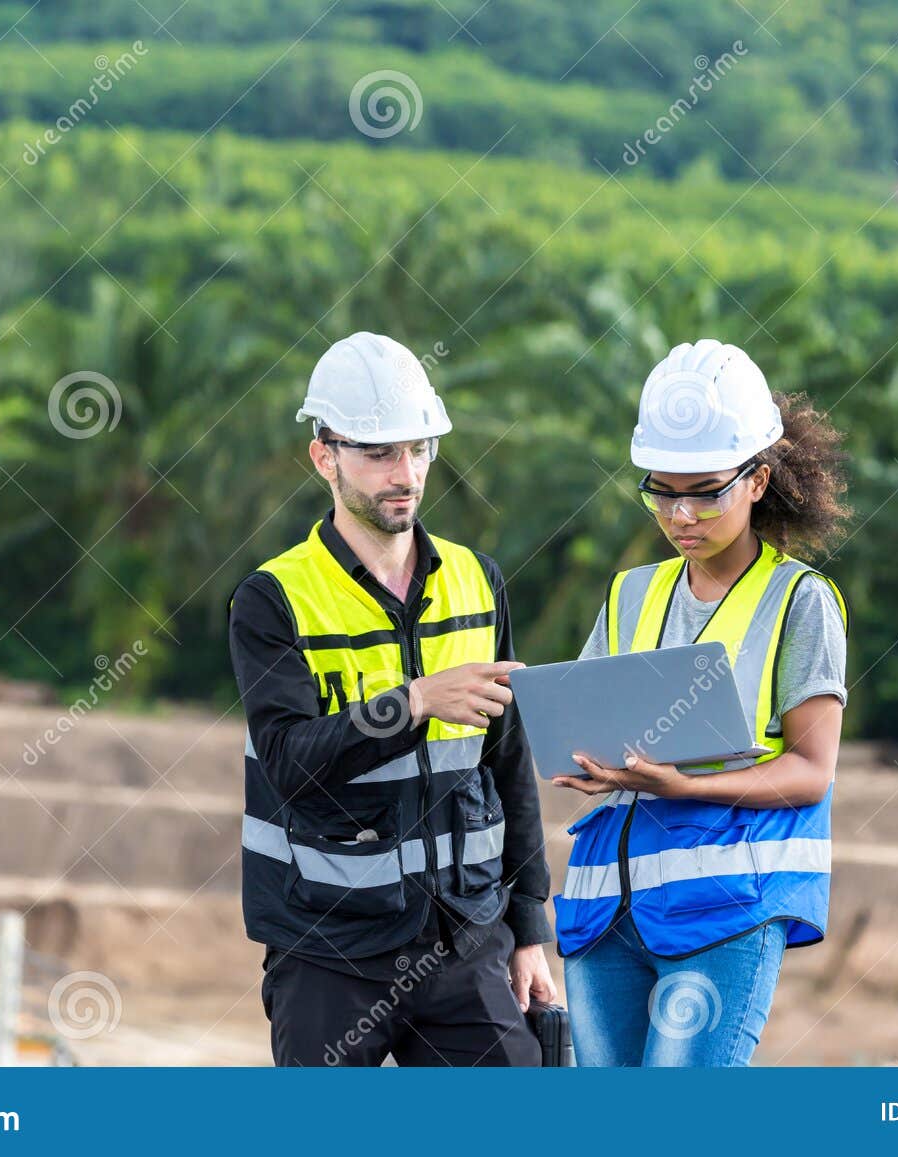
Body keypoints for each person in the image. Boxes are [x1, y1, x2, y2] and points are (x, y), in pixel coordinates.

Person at [228, 331, 556, 1067]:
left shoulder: (477, 580)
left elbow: (507, 763)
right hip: (328, 946)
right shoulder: (273, 598)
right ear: (324, 457)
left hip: (466, 933)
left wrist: (529, 926)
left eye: (418, 449)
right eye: (379, 453)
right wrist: (413, 703)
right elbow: (288, 762)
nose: (404, 474)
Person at [551, 339, 851, 1067]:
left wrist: (685, 786)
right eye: (663, 492)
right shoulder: (631, 592)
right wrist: (582, 758)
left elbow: (812, 770)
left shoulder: (799, 601)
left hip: (723, 910)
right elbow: (584, 720)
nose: (682, 514)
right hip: (604, 907)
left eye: (706, 491)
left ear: (758, 480)